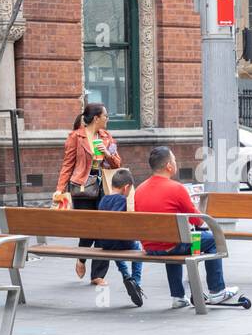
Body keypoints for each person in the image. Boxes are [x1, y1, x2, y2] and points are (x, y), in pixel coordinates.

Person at [133, 146, 240, 308]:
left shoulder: (139, 189)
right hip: (172, 245)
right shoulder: (176, 188)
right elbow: (198, 221)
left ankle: (178, 296)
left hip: (150, 246)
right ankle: (217, 290)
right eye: (174, 160)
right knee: (213, 240)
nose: (176, 162)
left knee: (172, 239)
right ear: (169, 166)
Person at [55, 103, 122, 284]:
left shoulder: (107, 137)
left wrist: (107, 154)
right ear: (96, 118)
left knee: (105, 230)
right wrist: (60, 190)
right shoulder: (76, 137)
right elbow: (67, 165)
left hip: (103, 188)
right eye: (105, 116)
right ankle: (82, 257)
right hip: (82, 187)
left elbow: (117, 163)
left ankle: (98, 275)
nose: (107, 119)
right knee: (88, 231)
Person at [89, 168, 145, 307]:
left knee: (114, 247)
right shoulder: (121, 199)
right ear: (126, 188)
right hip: (121, 241)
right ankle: (136, 282)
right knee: (137, 247)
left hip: (106, 243)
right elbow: (117, 221)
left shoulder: (103, 200)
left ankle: (126, 274)